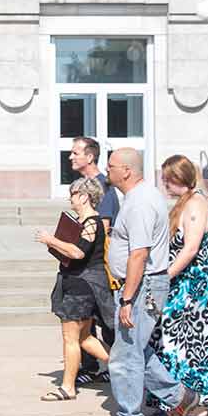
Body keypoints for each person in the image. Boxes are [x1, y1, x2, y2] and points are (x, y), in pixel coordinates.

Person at [91, 147, 199, 416]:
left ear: (126, 170)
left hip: (141, 288)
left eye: (111, 166)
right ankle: (180, 397)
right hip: (143, 286)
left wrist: (126, 299)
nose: (107, 170)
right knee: (136, 350)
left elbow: (139, 255)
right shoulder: (141, 198)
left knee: (124, 357)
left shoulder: (139, 203)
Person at [152, 155, 208, 412]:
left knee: (184, 345)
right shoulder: (184, 203)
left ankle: (193, 395)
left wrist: (164, 277)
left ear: (180, 178)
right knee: (172, 344)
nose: (164, 184)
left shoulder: (196, 204)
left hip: (190, 289)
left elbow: (190, 249)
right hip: (182, 286)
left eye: (168, 180)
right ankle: (176, 398)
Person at [34, 176, 112, 400]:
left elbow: (78, 252)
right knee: (84, 337)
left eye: (74, 194)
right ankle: (124, 367)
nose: (71, 199)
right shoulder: (86, 222)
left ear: (85, 197)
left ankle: (68, 387)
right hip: (80, 283)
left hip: (81, 286)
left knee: (71, 338)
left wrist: (51, 240)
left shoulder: (91, 223)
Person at [69, 136, 121, 378]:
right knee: (85, 318)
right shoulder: (82, 184)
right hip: (82, 267)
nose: (71, 156)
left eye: (75, 153)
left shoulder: (104, 188)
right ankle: (90, 366)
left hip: (99, 267)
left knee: (106, 319)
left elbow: (104, 227)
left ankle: (116, 365)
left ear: (90, 157)